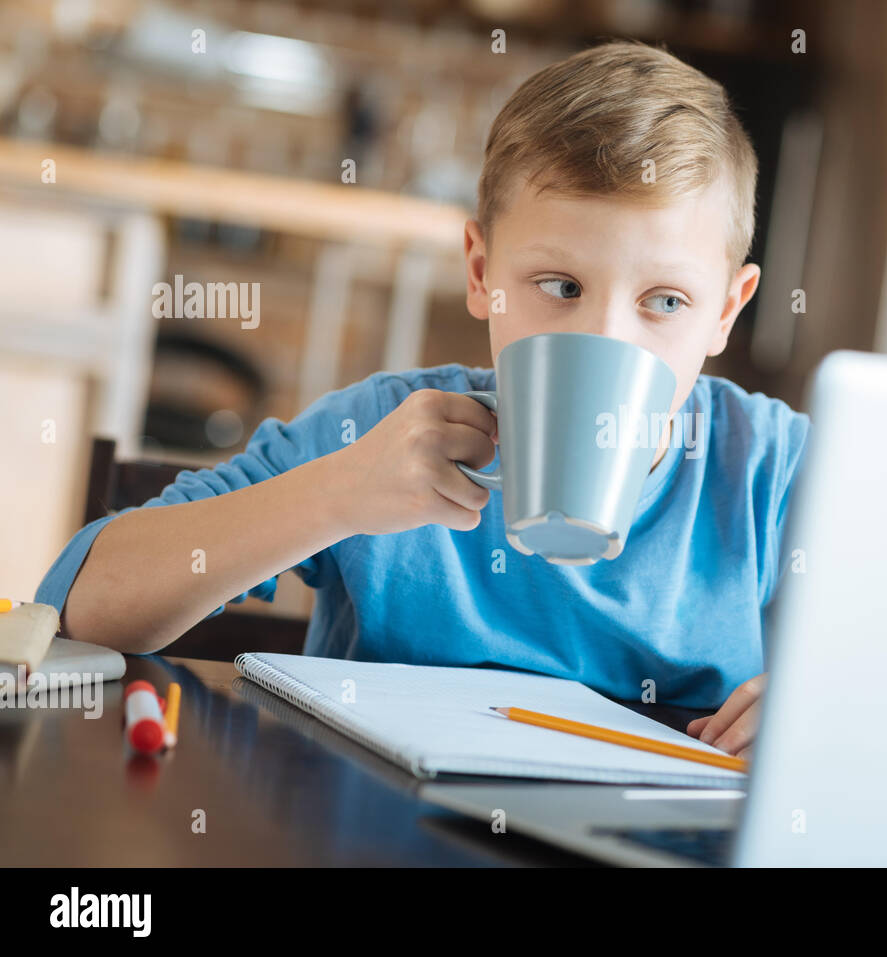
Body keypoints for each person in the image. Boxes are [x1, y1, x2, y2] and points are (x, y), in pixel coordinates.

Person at [37, 41, 810, 759]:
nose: (607, 340)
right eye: (561, 286)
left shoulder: (769, 473)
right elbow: (82, 606)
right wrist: (335, 495)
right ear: (481, 274)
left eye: (665, 301)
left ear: (726, 312)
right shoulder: (381, 433)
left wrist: (825, 701)